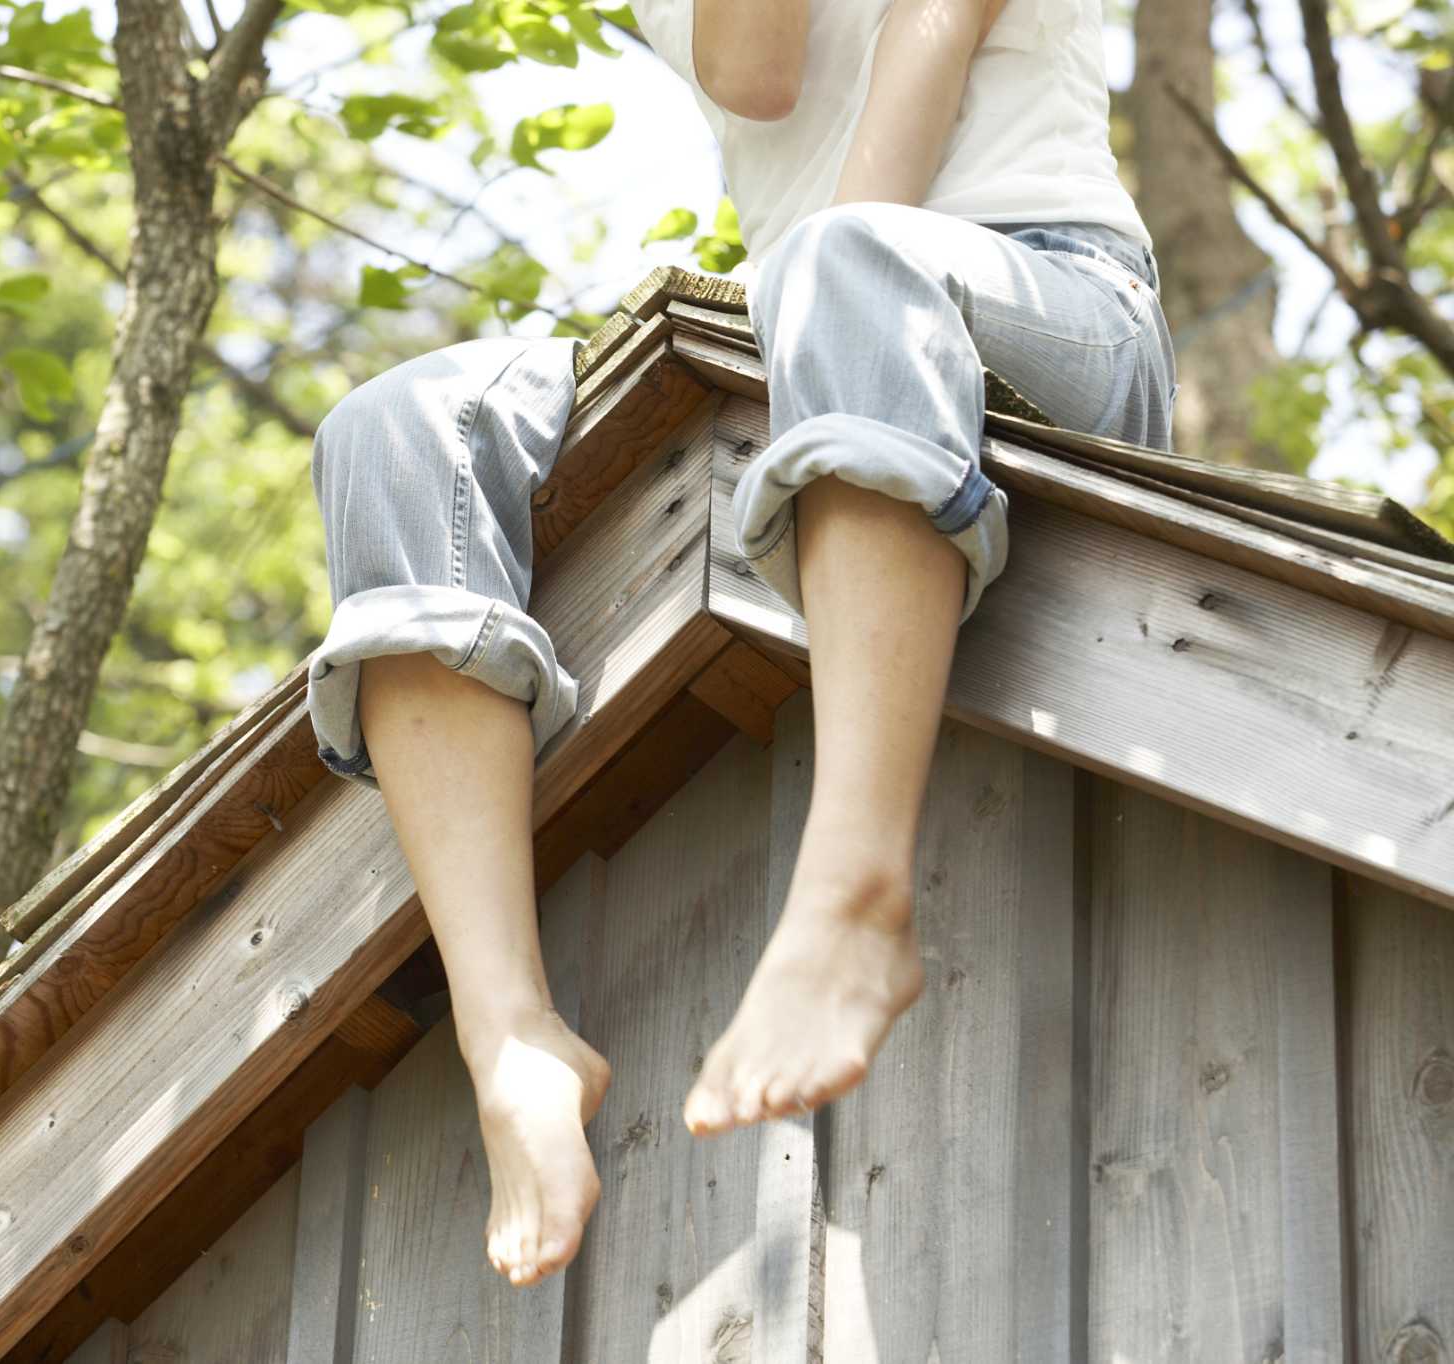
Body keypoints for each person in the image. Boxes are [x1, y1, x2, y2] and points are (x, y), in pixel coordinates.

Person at [303, 0, 1177, 1290]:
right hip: (797, 312)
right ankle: (512, 1038)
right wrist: (793, 318)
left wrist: (806, 308)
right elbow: (754, 74)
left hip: (1051, 291)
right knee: (398, 426)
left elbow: (920, 56)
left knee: (843, 255)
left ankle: (853, 895)